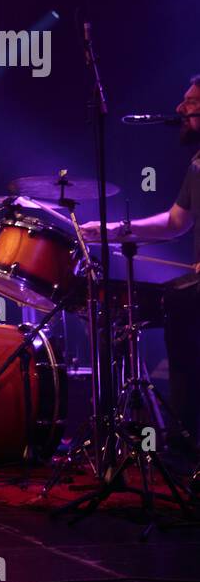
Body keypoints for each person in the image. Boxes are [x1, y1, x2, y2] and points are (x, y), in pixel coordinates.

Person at [84, 75, 200, 449]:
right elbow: (175, 222)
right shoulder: (198, 164)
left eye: (191, 103)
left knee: (180, 302)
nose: (181, 109)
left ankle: (184, 435)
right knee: (149, 305)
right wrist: (114, 230)